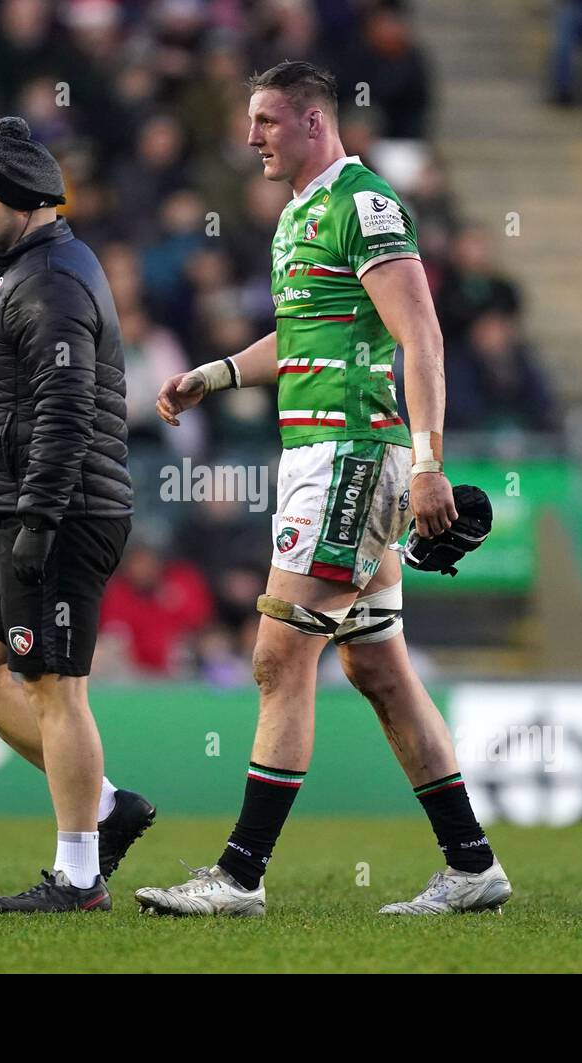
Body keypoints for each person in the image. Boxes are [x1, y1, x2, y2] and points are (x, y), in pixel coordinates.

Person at [140, 61, 512, 917]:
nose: (251, 137)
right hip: (317, 453)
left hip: (351, 454)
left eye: (267, 121)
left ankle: (238, 875)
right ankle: (471, 863)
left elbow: (420, 333)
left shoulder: (364, 204)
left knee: (277, 657)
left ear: (314, 121)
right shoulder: (298, 216)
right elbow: (302, 333)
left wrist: (426, 460)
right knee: (379, 667)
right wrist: (220, 372)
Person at [0, 117, 153, 913]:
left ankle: (78, 874)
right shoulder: (31, 267)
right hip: (23, 509)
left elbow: (65, 412)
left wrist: (36, 520)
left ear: (20, 199)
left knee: (53, 687)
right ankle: (104, 805)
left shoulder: (54, 278)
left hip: (62, 511)